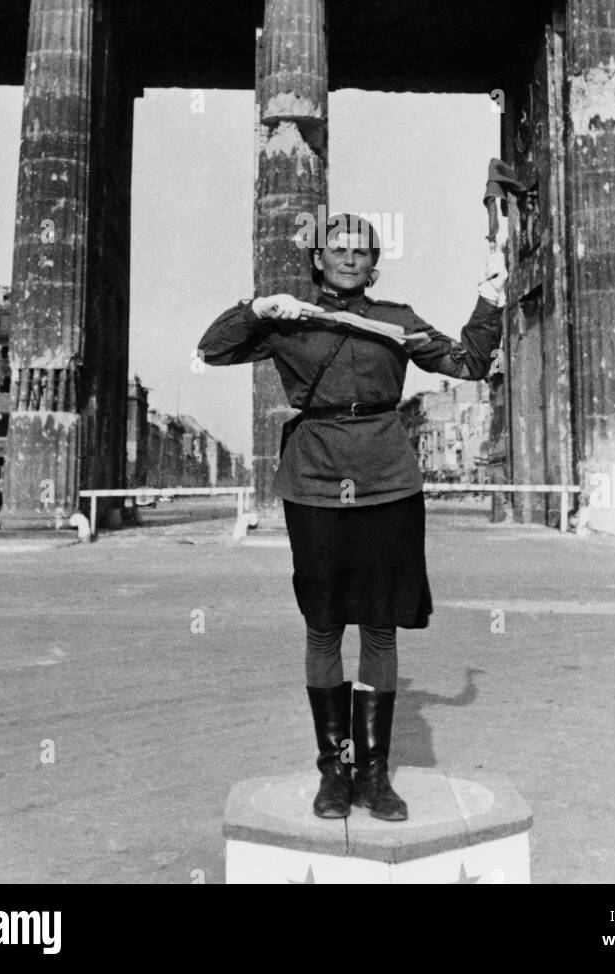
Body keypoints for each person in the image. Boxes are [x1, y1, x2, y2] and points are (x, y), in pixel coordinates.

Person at [198, 212, 506, 822]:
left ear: (374, 264)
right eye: (335, 250)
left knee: (381, 624)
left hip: (386, 477)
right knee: (323, 624)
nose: (347, 258)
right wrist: (258, 307)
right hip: (314, 478)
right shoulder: (293, 320)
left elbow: (469, 363)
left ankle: (375, 775)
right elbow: (212, 349)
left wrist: (490, 296)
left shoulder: (396, 319)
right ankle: (334, 773)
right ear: (317, 260)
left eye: (360, 251)